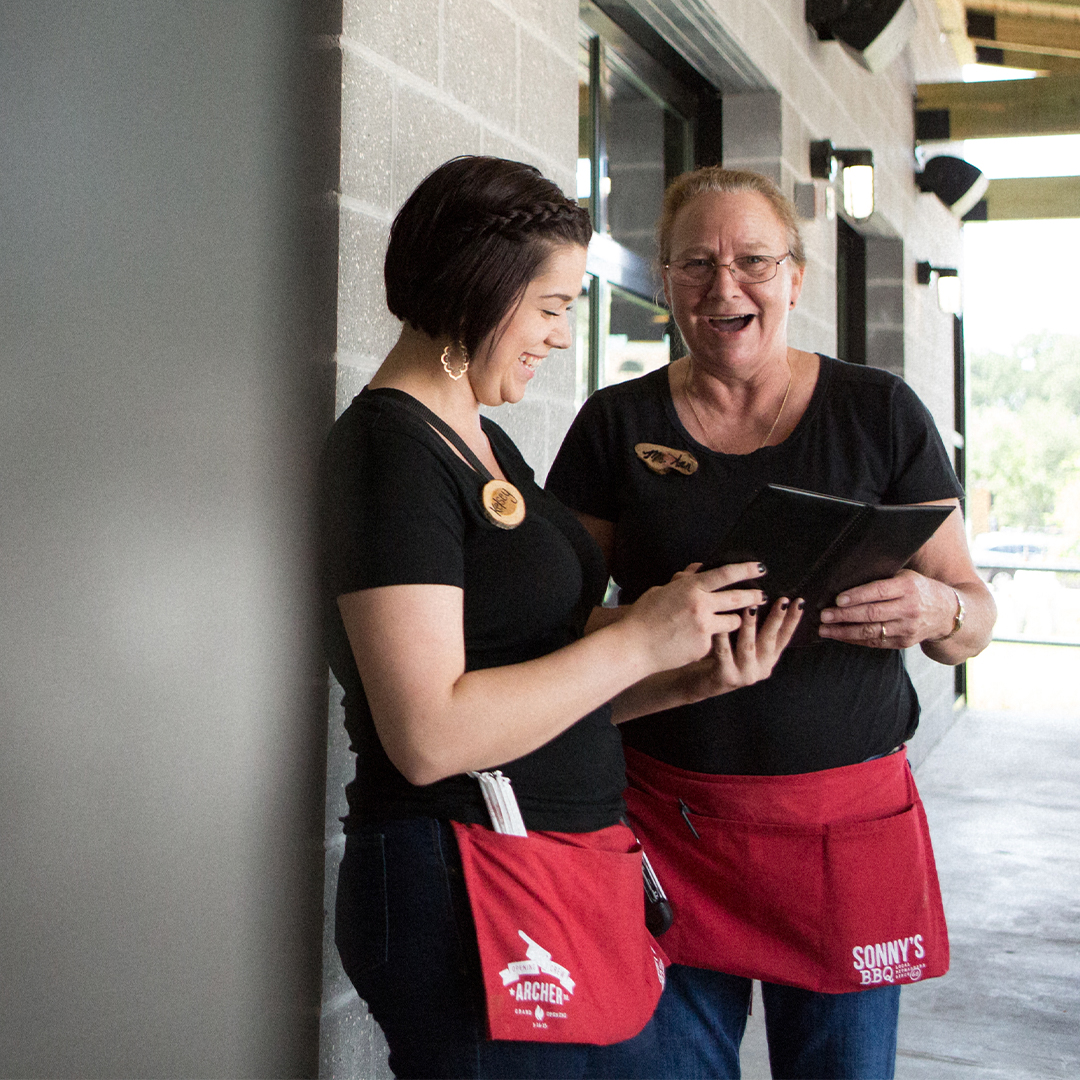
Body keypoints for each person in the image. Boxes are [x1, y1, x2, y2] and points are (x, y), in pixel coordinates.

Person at [319, 156, 804, 1080]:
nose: (557, 336)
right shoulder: (390, 455)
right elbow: (429, 734)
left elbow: (529, 685)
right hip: (463, 876)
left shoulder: (478, 434)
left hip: (556, 867)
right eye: (550, 307)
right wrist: (634, 639)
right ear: (479, 289)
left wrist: (678, 672)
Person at [546, 166, 996, 1080]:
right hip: (668, 829)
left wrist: (936, 606)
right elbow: (553, 629)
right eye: (696, 264)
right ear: (665, 281)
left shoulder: (879, 413)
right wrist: (650, 624)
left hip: (847, 832)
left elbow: (971, 618)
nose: (725, 287)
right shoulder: (613, 424)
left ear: (795, 278)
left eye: (753, 260)